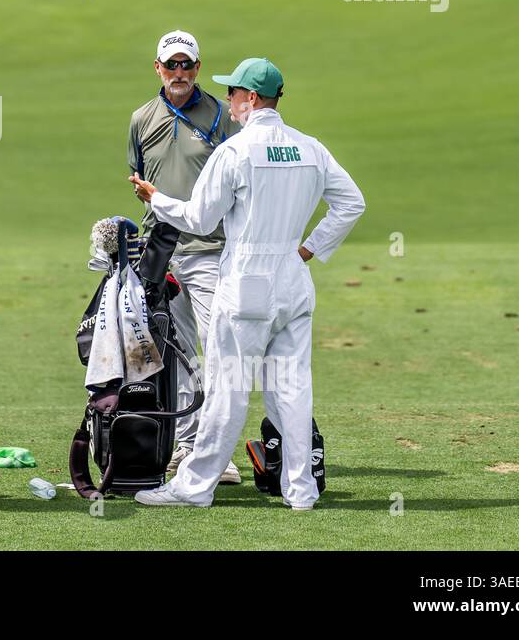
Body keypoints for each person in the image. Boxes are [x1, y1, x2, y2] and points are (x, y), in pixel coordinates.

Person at [128, 57, 365, 510]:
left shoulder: (235, 152)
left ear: (251, 99)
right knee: (292, 389)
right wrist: (309, 249)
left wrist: (157, 199)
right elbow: (351, 203)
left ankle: (194, 487)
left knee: (227, 388)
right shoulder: (310, 147)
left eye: (235, 93)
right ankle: (301, 491)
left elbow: (198, 218)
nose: (230, 101)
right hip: (293, 281)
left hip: (245, 285)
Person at [127, 30, 243, 483]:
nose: (179, 73)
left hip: (211, 250)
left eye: (186, 65)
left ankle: (220, 453)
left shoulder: (220, 115)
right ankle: (189, 444)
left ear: (197, 68)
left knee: (218, 350)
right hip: (162, 252)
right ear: (157, 67)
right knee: (175, 353)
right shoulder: (142, 119)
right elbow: (140, 178)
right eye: (170, 65)